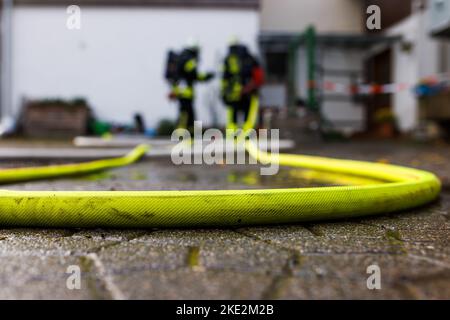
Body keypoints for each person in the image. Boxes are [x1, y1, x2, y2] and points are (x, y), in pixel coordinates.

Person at [167, 39, 214, 132]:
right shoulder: (189, 59)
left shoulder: (181, 57)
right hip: (185, 92)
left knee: (188, 114)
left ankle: (189, 134)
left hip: (181, 90)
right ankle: (181, 134)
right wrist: (206, 76)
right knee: (185, 114)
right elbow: (193, 74)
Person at [221, 40, 264, 135]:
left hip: (238, 93)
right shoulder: (251, 60)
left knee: (234, 114)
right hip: (249, 93)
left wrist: (226, 92)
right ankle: (245, 135)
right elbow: (258, 77)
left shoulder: (232, 60)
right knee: (248, 115)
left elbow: (227, 77)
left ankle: (234, 135)